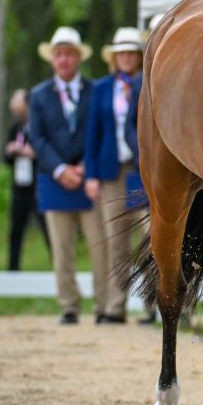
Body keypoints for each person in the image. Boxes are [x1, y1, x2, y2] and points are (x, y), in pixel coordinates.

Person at [28, 26, 110, 325]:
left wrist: (86, 167)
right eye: (58, 54)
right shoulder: (37, 96)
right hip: (54, 180)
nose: (63, 60)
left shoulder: (96, 90)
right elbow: (37, 138)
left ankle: (104, 306)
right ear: (52, 59)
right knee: (61, 250)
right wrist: (61, 169)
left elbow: (102, 130)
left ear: (78, 58)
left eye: (68, 54)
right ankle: (69, 306)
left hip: (91, 179)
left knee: (99, 246)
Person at [84, 27, 146, 324]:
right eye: (121, 53)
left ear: (139, 56)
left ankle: (154, 305)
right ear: (114, 57)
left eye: (131, 52)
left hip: (143, 171)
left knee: (150, 237)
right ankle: (115, 306)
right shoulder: (101, 89)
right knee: (115, 241)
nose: (126, 57)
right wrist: (91, 175)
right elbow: (92, 134)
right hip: (111, 173)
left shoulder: (150, 82)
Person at [5, 89, 50, 270]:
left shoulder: (39, 125)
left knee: (47, 226)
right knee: (16, 227)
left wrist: (32, 154)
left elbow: (46, 152)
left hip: (37, 184)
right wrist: (10, 151)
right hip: (20, 184)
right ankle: (13, 268)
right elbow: (7, 159)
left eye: (20, 110)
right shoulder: (15, 128)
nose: (18, 114)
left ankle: (58, 265)